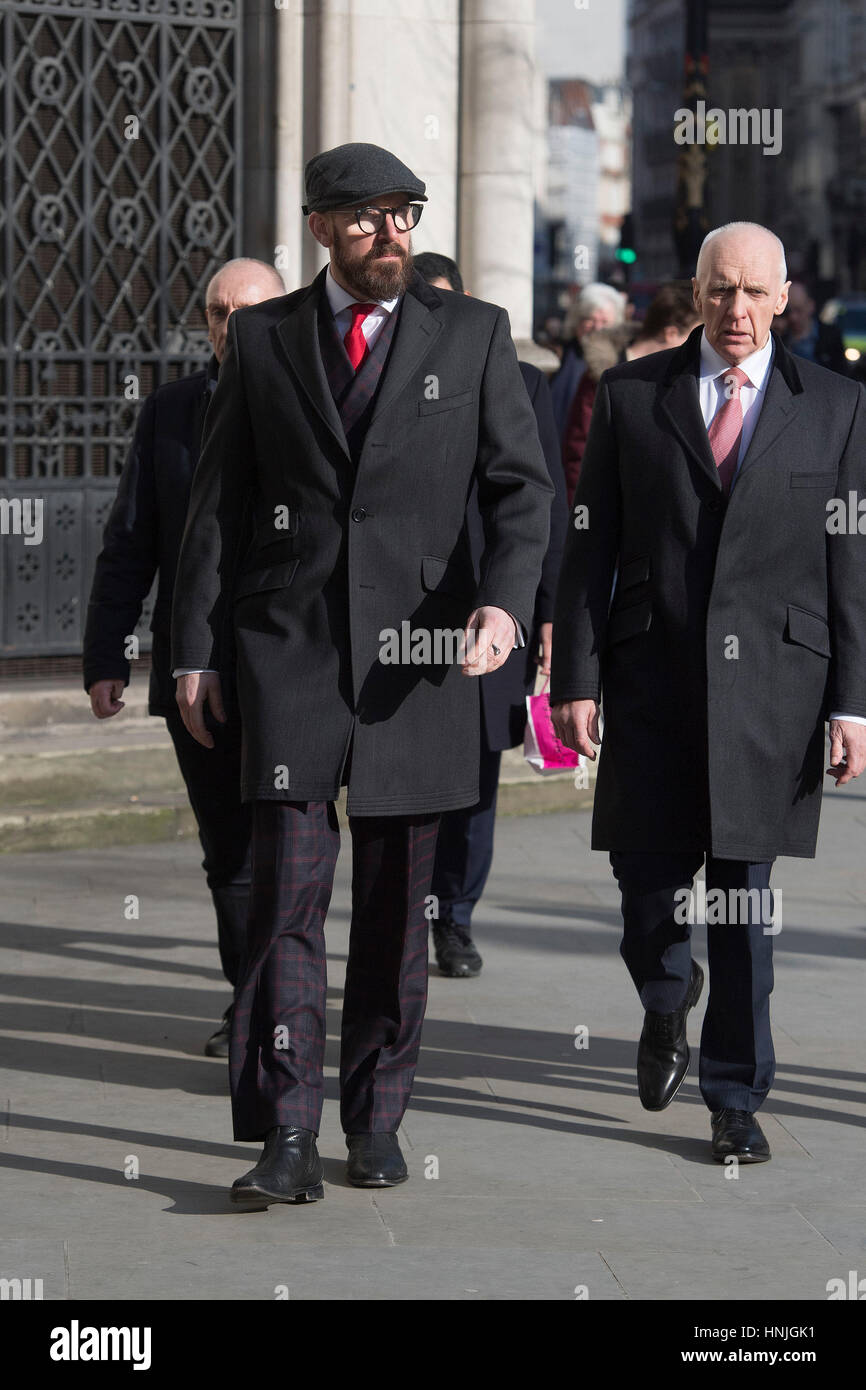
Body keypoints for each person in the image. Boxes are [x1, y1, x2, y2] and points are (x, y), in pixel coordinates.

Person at [170, 143, 553, 1203]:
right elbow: (218, 510)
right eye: (368, 217)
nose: (391, 234)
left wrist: (503, 606)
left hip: (420, 667)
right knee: (281, 907)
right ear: (320, 227)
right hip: (287, 655)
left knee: (394, 915)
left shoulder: (471, 335)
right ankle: (284, 1131)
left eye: (404, 214)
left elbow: (522, 491)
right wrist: (194, 652)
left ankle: (375, 1120)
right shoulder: (261, 339)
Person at [551, 221, 866, 1164]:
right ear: (695, 293)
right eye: (719, 291)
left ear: (783, 300)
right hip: (651, 680)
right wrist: (576, 677)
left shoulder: (838, 408)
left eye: (753, 293)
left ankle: (735, 1098)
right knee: (648, 890)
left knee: (742, 903)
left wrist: (853, 704)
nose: (735, 310)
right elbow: (590, 544)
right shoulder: (632, 396)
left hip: (775, 691)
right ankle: (662, 998)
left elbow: (852, 565)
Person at [83, 258, 286, 1057]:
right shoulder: (171, 411)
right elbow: (131, 539)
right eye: (216, 312)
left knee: (293, 847)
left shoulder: (320, 402)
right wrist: (108, 651)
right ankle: (251, 1003)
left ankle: (285, 1002)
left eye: (248, 310)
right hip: (195, 671)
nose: (230, 326)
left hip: (294, 671)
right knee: (228, 855)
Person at [412, 251, 569, 977]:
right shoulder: (389, 378)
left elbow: (543, 504)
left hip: (489, 611)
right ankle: (406, 920)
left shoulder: (524, 381)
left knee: (475, 781)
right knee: (405, 778)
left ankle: (456, 920)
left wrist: (546, 612)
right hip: (406, 615)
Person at [562, 282, 702, 505]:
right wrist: (585, 524)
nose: (700, 349)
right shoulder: (602, 375)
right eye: (694, 337)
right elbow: (580, 458)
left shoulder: (684, 377)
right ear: (671, 333)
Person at [549, 283, 625, 443]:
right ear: (577, 321)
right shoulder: (557, 353)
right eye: (590, 319)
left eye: (604, 321)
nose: (597, 327)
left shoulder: (622, 359)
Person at [777, 281, 848, 375]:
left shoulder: (830, 336)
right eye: (789, 311)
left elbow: (842, 373)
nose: (793, 317)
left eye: (799, 310)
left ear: (810, 306)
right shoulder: (780, 337)